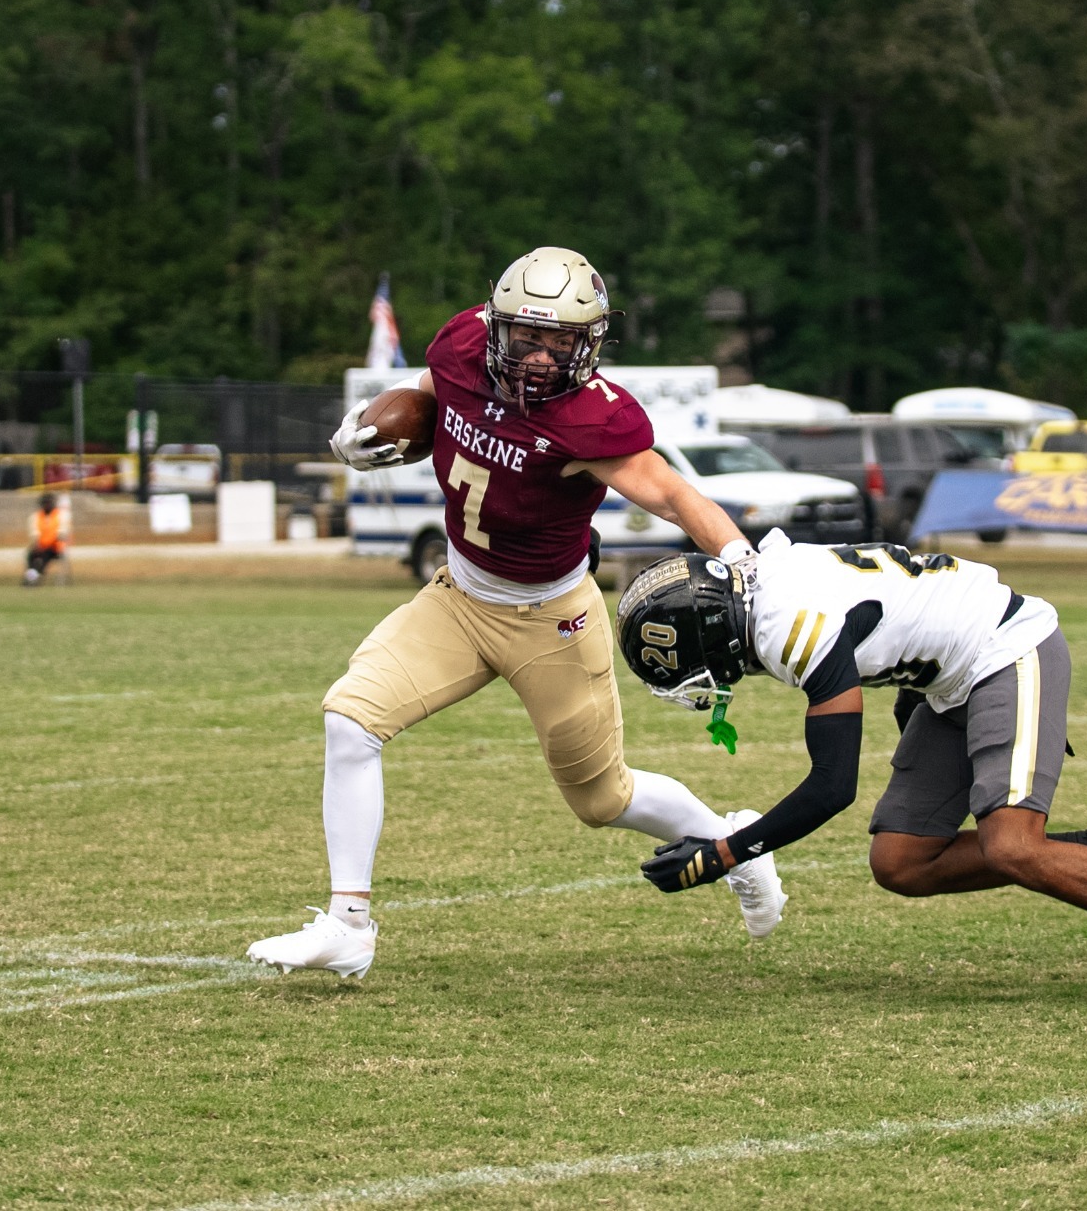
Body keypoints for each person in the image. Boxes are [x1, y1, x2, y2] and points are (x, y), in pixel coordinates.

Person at [246, 246, 786, 981]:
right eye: (526, 336)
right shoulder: (463, 346)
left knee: (602, 799)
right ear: (496, 326)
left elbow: (669, 493)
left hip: (551, 620)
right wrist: (367, 429)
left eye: (559, 342)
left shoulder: (591, 418)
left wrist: (745, 562)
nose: (538, 356)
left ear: (588, 343)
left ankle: (736, 845)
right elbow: (429, 396)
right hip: (459, 598)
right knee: (351, 719)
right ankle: (348, 925)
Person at [616, 541, 1087, 1012]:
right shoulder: (760, 572)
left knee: (1012, 846)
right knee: (902, 862)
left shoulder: (789, 629)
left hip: (1007, 650)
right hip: (949, 678)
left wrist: (725, 853)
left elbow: (832, 785)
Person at [24, 492, 70, 585]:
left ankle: (34, 578)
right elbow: (34, 533)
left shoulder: (61, 516)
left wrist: (51, 542)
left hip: (55, 548)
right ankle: (31, 576)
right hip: (40, 546)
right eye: (45, 503)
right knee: (31, 555)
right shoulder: (36, 516)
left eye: (49, 503)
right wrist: (37, 544)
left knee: (44, 557)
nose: (47, 505)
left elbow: (62, 532)